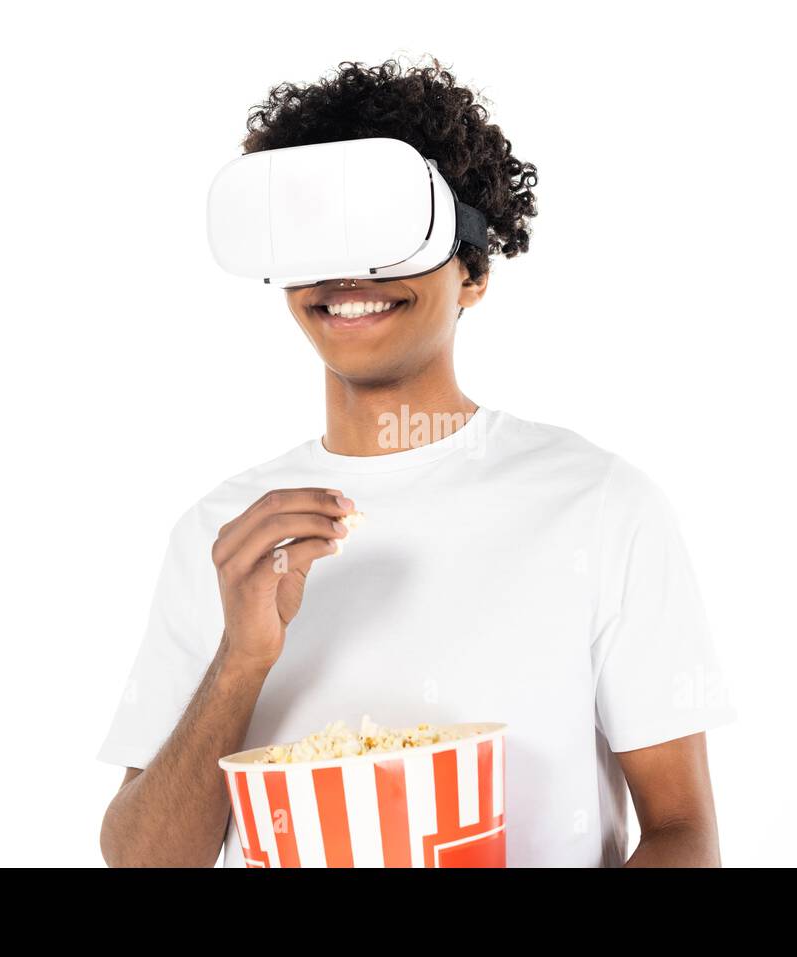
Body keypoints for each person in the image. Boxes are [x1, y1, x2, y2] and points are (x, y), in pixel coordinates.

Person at [96, 57, 736, 868]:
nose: (346, 273)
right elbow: (141, 859)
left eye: (388, 231)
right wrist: (241, 661)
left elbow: (683, 831)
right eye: (315, 233)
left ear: (474, 271)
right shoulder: (225, 536)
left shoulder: (601, 505)